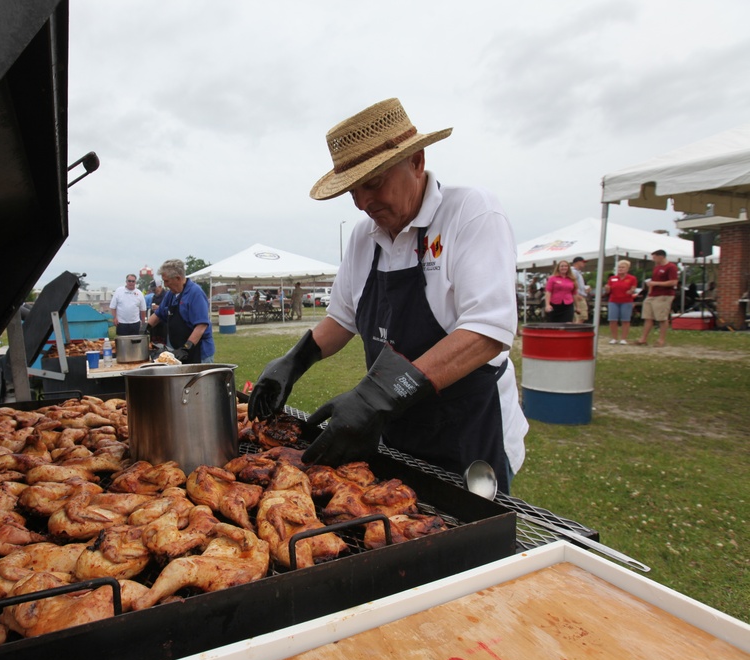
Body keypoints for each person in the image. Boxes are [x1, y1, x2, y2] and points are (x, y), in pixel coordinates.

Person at [247, 97, 526, 493]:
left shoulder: (471, 212)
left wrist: (376, 395)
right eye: (353, 191)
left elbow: (486, 332)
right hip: (394, 425)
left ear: (417, 161)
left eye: (374, 183)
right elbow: (341, 318)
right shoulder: (364, 236)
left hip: (467, 430)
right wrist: (294, 361)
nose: (363, 203)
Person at [146, 259, 214, 363]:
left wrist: (186, 348)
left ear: (178, 278)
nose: (165, 285)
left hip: (198, 352)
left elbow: (201, 325)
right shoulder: (171, 294)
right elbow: (158, 314)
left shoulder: (195, 293)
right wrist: (145, 328)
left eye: (167, 281)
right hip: (178, 351)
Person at [634, 249, 678, 347]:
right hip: (652, 295)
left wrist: (656, 283)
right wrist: (649, 292)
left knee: (662, 318)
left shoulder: (671, 267)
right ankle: (643, 339)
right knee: (648, 317)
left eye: (654, 257)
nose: (653, 259)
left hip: (664, 295)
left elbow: (673, 282)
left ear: (661, 256)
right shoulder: (656, 267)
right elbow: (653, 281)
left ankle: (661, 340)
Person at [605, 260, 638, 344]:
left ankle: (623, 338)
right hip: (613, 300)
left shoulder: (632, 278)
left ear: (627, 269)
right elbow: (608, 291)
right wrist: (607, 288)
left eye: (623, 267)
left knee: (625, 320)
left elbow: (633, 288)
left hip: (626, 301)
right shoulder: (612, 278)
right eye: (619, 267)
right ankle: (614, 338)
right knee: (612, 320)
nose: (620, 269)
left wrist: (631, 291)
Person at [571, 256, 590, 323]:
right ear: (577, 262)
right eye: (583, 262)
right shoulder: (573, 272)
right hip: (578, 297)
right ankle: (576, 329)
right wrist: (576, 294)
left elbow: (577, 284)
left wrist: (585, 288)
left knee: (581, 317)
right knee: (580, 316)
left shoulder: (578, 272)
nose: (584, 264)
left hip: (579, 295)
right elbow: (571, 284)